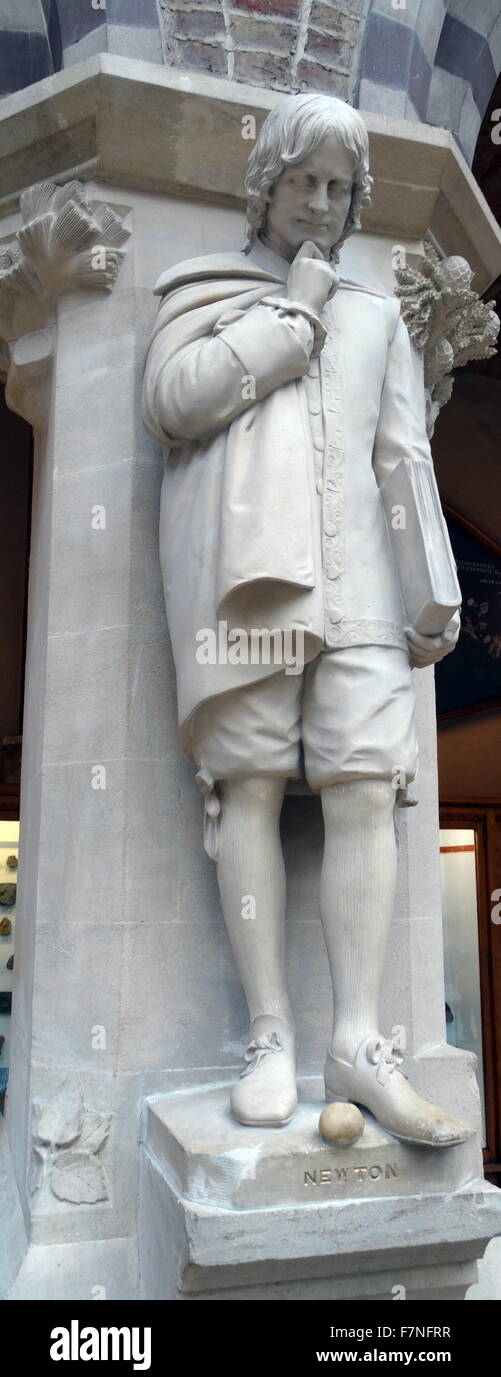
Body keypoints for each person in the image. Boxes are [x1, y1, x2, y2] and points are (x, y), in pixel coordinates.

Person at [143, 94, 468, 1147]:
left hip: (364, 587)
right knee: (250, 783)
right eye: (303, 184)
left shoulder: (377, 315)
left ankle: (360, 1042)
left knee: (367, 787)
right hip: (254, 581)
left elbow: (402, 459)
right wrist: (294, 314)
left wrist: (435, 590)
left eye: (339, 189)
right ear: (265, 183)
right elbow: (174, 404)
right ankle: (270, 1036)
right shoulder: (207, 293)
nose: (322, 205)